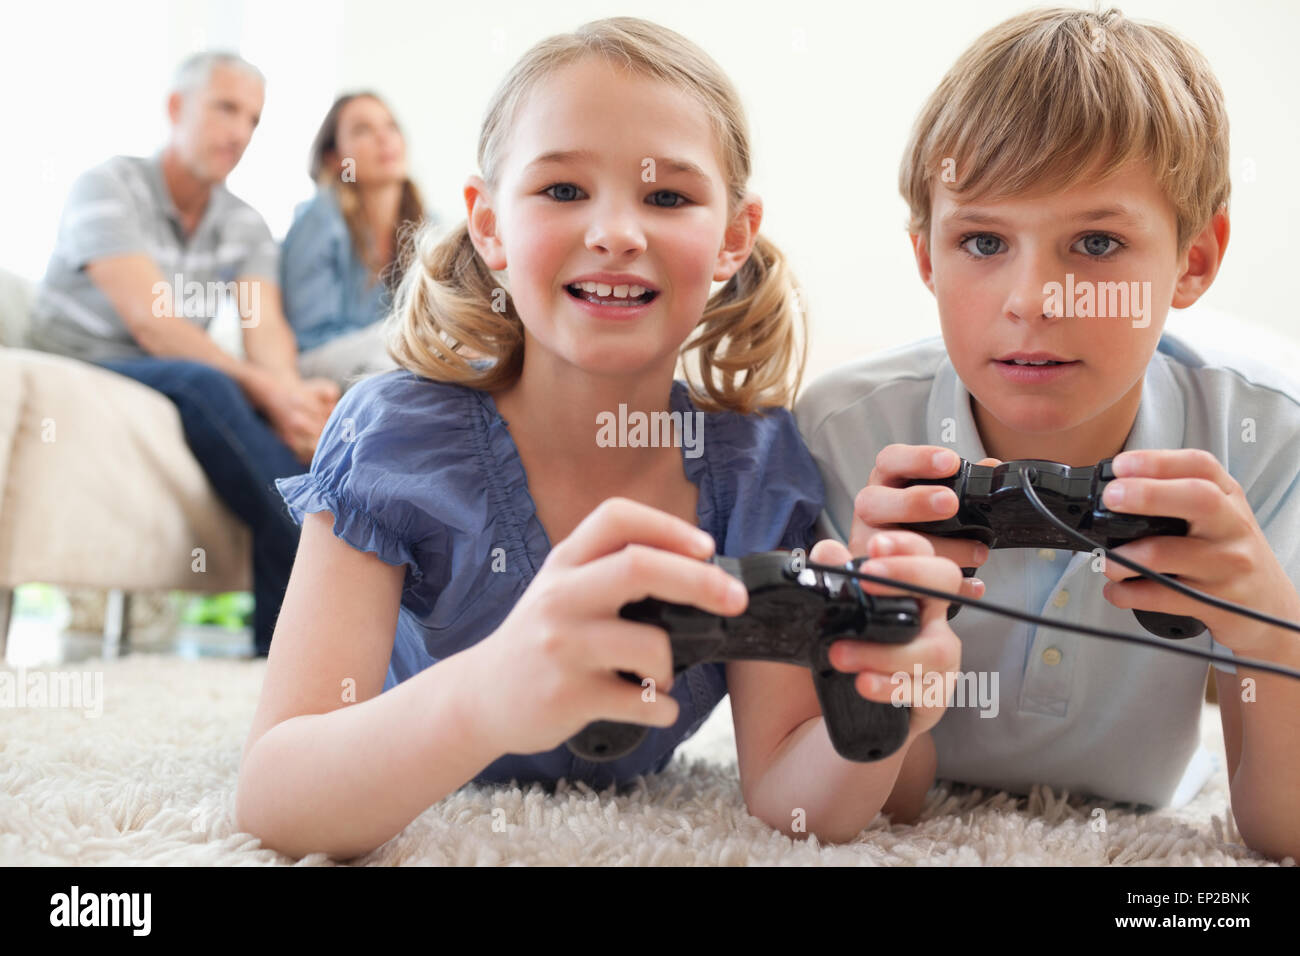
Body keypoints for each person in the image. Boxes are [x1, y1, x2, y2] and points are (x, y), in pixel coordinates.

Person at [235, 17, 963, 859]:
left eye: (667, 197)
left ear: (734, 235)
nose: (617, 231)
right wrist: (487, 697)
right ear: (489, 223)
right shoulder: (396, 436)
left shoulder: (757, 466)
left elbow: (792, 805)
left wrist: (878, 705)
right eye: (563, 190)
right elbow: (276, 796)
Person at [794, 7, 1300, 860]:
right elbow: (895, 808)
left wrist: (1269, 629)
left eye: (1096, 243)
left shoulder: (1269, 436)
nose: (1034, 299)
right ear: (925, 256)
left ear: (1195, 260)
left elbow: (1280, 834)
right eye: (983, 240)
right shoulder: (844, 436)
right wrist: (892, 622)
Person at [28, 51, 341, 657]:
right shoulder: (107, 185)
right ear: (176, 108)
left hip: (170, 370)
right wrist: (268, 390)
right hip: (85, 361)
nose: (240, 132)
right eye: (226, 108)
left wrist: (292, 400)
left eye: (253, 119)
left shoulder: (244, 223)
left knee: (241, 390)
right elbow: (153, 325)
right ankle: (306, 578)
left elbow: (265, 328)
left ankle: (281, 654)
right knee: (215, 387)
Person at [280, 92, 433, 390]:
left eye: (391, 126)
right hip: (318, 357)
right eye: (362, 130)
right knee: (397, 356)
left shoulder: (429, 226)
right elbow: (311, 333)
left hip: (392, 350)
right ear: (335, 159)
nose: (383, 138)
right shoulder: (319, 219)